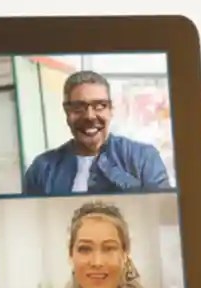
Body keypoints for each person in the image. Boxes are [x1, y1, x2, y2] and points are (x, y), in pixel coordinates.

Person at [29, 201, 185, 288]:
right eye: (85, 249)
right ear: (71, 255)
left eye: (109, 248)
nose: (97, 262)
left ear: (125, 254)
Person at [22, 70, 171, 195]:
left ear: (111, 110)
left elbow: (163, 216)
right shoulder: (42, 169)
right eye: (79, 108)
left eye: (99, 106)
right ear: (66, 112)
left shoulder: (143, 158)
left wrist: (119, 179)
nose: (90, 116)